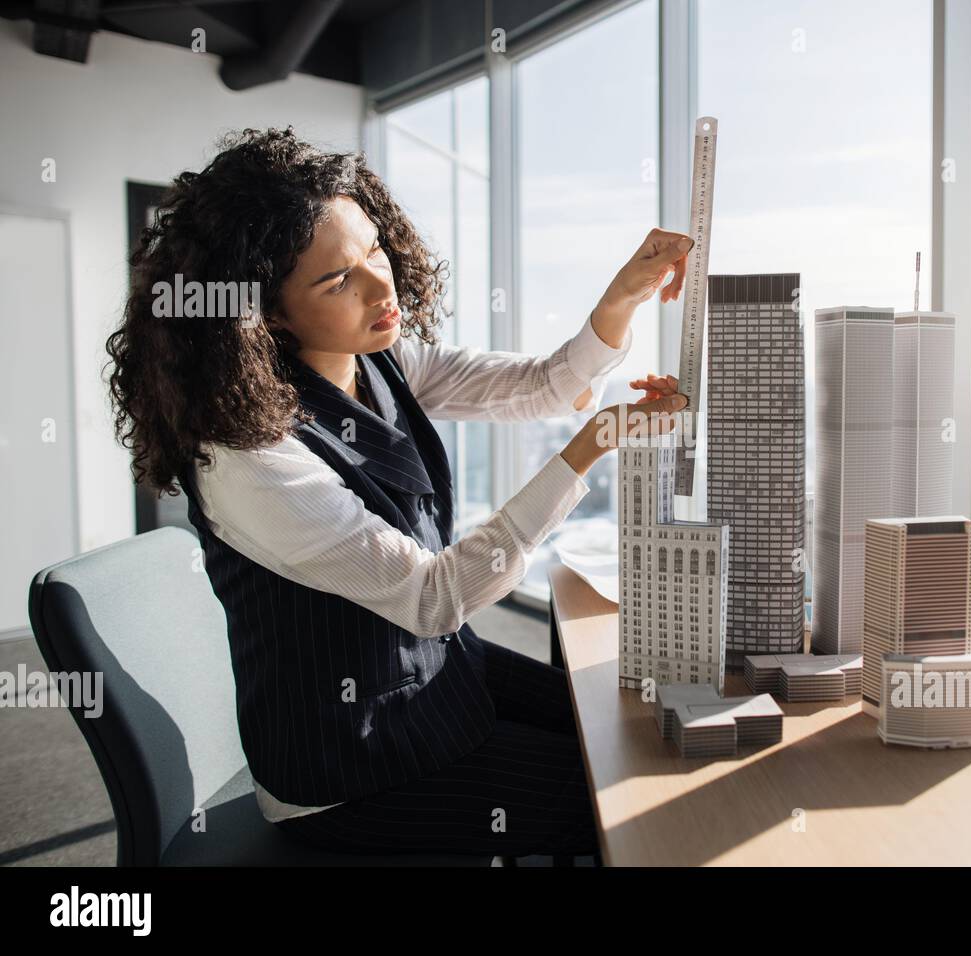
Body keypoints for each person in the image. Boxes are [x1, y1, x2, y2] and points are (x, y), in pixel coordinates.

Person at [105, 126, 693, 859]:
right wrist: (593, 445)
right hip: (351, 763)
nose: (383, 287)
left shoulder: (379, 360)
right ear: (267, 314)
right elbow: (432, 597)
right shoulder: (248, 456)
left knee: (627, 734)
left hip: (439, 678)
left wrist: (622, 299)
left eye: (375, 249)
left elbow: (544, 384)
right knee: (619, 799)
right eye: (337, 280)